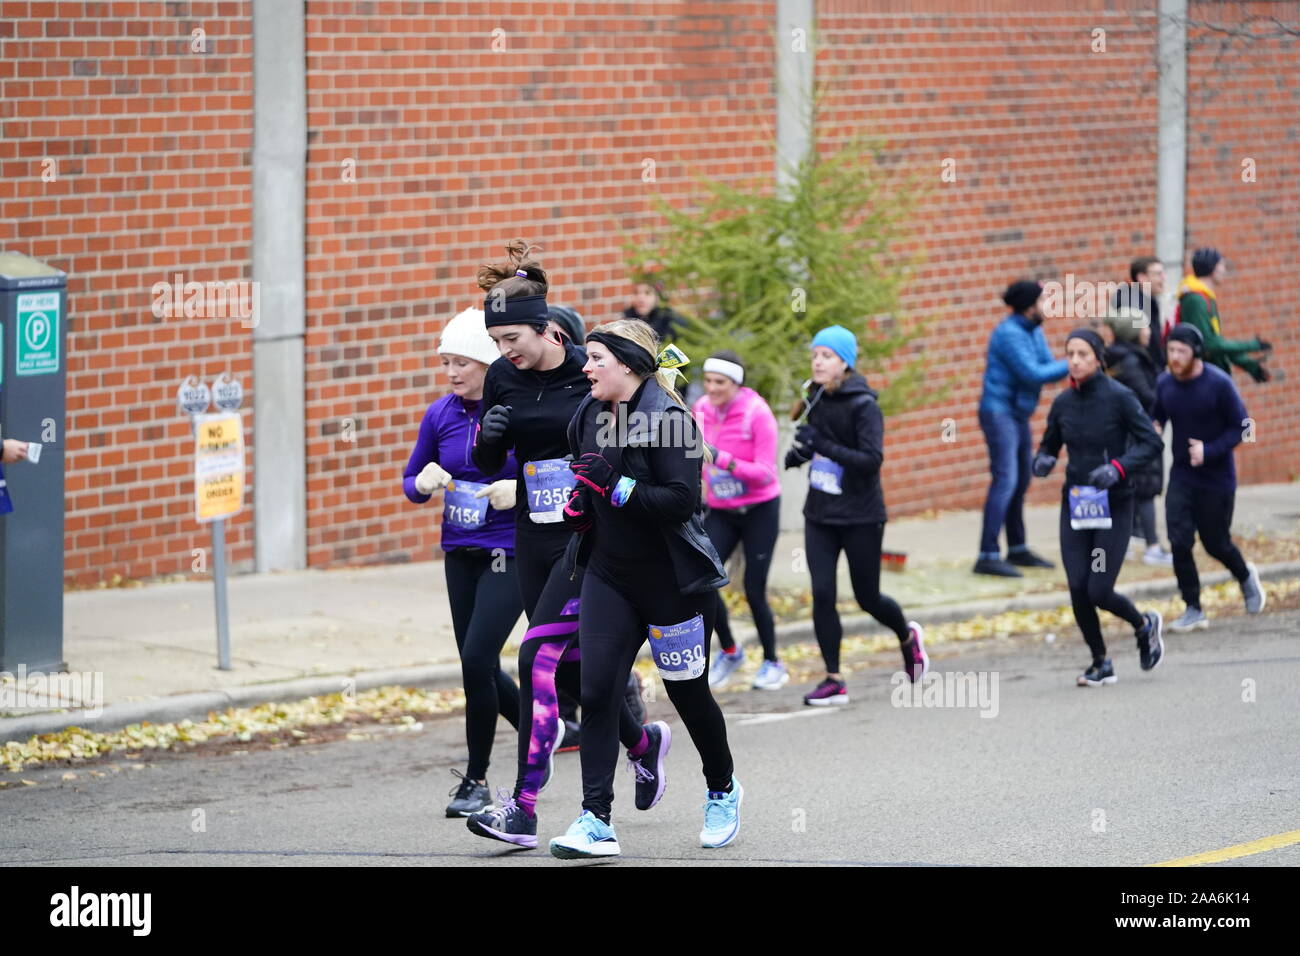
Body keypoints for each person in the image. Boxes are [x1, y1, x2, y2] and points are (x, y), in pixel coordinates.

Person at [461, 242, 654, 850]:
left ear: (548, 330)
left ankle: (523, 808)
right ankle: (643, 743)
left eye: (512, 338)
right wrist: (487, 441)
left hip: (586, 536)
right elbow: (487, 460)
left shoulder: (591, 371)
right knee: (571, 671)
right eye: (496, 342)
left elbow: (631, 434)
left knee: (533, 658)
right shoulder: (501, 377)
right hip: (531, 530)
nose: (504, 351)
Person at [548, 318, 741, 858]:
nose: (585, 368)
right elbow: (584, 473)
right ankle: (595, 819)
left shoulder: (671, 420)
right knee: (596, 690)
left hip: (672, 583)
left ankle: (723, 788)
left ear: (629, 366)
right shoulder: (589, 412)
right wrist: (580, 502)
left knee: (687, 693)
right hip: (610, 575)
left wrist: (614, 486)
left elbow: (681, 501)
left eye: (596, 360)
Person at [402, 307, 523, 817]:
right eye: (446, 362)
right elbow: (410, 482)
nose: (452, 372)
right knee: (479, 664)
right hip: (460, 552)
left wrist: (519, 488)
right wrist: (423, 483)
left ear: (489, 364)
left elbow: (557, 469)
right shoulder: (440, 414)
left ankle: (475, 780)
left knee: (477, 660)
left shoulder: (514, 410)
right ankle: (551, 727)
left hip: (510, 551)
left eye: (463, 363)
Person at [784, 325, 927, 706]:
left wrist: (823, 446)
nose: (817, 361)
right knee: (822, 593)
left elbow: (870, 461)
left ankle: (907, 636)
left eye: (826, 356)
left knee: (867, 597)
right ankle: (834, 678)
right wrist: (800, 455)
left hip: (861, 516)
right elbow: (817, 447)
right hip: (820, 514)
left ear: (845, 362)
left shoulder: (864, 405)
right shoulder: (814, 397)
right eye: (815, 354)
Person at [1032, 328, 1166, 687]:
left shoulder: (1120, 397)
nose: (1074, 361)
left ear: (1098, 358)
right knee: (1078, 587)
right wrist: (1042, 460)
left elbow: (1151, 442)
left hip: (1115, 502)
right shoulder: (1062, 404)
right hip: (1077, 505)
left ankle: (1144, 625)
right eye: (1069, 353)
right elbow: (1049, 446)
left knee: (1099, 589)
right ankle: (1100, 661)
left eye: (1082, 354)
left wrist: (1118, 468)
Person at [1152, 324, 1266, 631]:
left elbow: (1245, 427)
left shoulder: (1218, 383)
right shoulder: (1164, 383)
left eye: (1181, 352)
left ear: (1196, 353)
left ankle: (1245, 576)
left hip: (1217, 478)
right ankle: (1193, 607)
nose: (1174, 357)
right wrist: (1155, 426)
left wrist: (1209, 449)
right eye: (1171, 350)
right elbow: (1158, 413)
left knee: (1215, 543)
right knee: (1178, 541)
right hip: (1182, 475)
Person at [690, 350, 786, 690]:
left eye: (721, 382)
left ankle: (773, 661)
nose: (712, 389)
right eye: (709, 381)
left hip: (760, 509)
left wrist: (724, 460)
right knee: (704, 578)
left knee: (753, 588)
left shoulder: (757, 414)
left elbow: (764, 473)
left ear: (737, 383)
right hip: (723, 511)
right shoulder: (700, 409)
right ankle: (730, 651)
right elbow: (695, 456)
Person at [975, 280, 1070, 577]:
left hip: (1017, 413)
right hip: (998, 412)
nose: (1046, 306)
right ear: (1030, 305)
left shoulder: (1033, 330)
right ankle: (987, 554)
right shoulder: (1009, 333)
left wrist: (1064, 364)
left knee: (1020, 480)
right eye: (1042, 300)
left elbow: (1044, 366)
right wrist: (1077, 362)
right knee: (1005, 479)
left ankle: (1017, 548)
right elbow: (1033, 373)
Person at [1104, 307, 1173, 567]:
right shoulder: (1131, 361)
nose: (1149, 331)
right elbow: (1148, 396)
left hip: (1126, 432)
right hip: (1139, 434)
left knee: (1131, 489)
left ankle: (1130, 541)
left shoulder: (1120, 358)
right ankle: (1152, 546)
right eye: (1144, 327)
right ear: (1132, 332)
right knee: (1145, 490)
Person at [1175, 248, 1272, 383]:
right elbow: (1210, 344)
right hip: (1203, 377)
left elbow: (1215, 342)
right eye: (1221, 265)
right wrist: (1252, 345)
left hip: (1211, 372)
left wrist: (1250, 365)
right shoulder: (1196, 300)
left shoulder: (1205, 296)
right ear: (1212, 269)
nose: (1224, 269)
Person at [1111, 256, 1168, 372]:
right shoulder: (1131, 304)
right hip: (1140, 371)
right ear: (1142, 277)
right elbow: (1139, 344)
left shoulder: (1150, 301)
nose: (1164, 278)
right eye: (1158, 274)